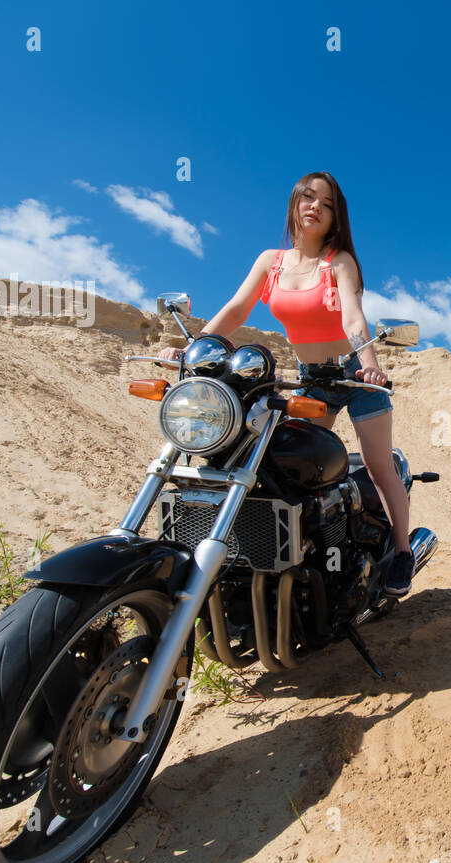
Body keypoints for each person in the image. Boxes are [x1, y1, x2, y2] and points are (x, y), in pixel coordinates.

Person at [158, 171, 415, 594]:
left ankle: (402, 550)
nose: (316, 206)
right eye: (309, 197)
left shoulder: (340, 262)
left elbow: (353, 317)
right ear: (295, 204)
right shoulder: (270, 262)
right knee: (298, 468)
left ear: (336, 217)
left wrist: (369, 363)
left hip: (353, 375)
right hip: (310, 379)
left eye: (327, 203)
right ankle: (308, 555)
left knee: (378, 465)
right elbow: (237, 310)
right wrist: (193, 350)